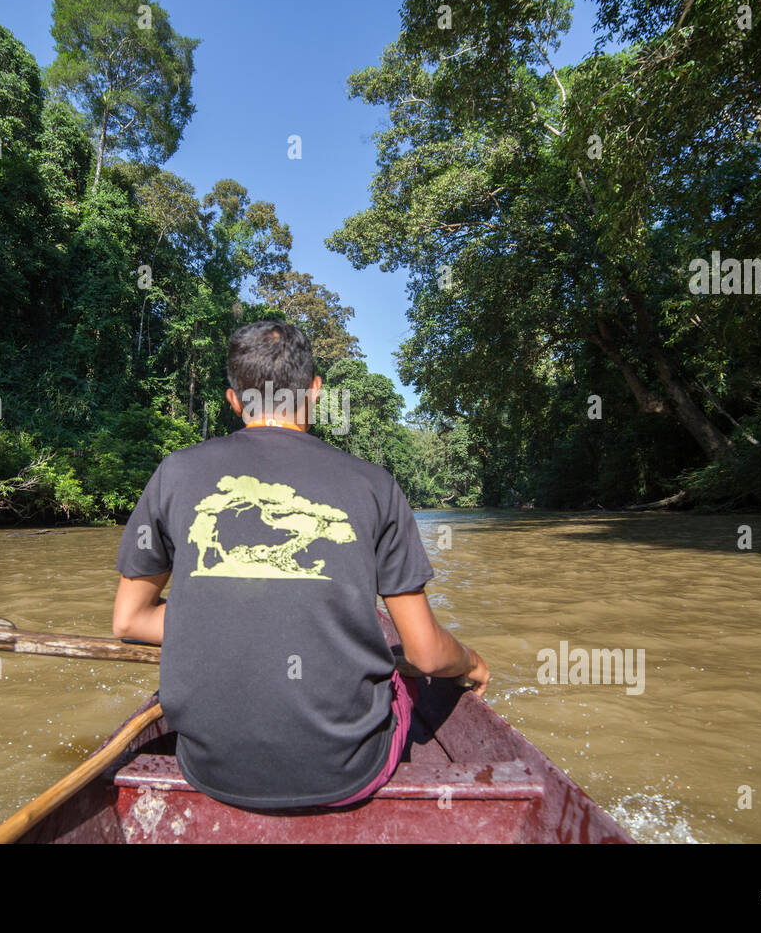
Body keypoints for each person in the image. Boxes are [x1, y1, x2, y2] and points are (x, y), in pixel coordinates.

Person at [112, 320, 489, 809]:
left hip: (209, 766)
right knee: (403, 679)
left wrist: (221, 613)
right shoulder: (374, 484)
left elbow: (129, 620)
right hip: (350, 768)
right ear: (315, 392)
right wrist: (473, 661)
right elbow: (427, 655)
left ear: (233, 400)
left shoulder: (174, 473)